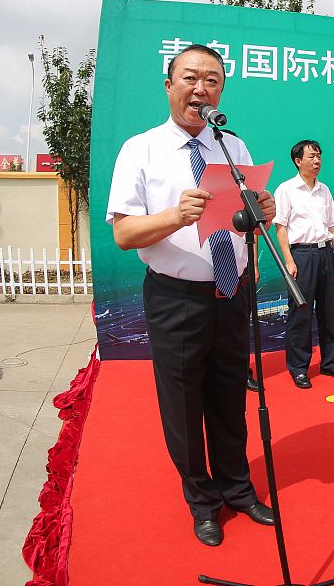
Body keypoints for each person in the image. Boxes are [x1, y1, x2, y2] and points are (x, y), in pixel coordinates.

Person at [107, 44, 276, 547]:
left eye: (212, 81)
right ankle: (201, 501)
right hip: (176, 297)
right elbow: (123, 233)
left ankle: (237, 488)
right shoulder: (141, 150)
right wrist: (174, 217)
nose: (201, 89)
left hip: (232, 292)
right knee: (183, 404)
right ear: (169, 85)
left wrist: (262, 207)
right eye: (190, 78)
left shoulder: (234, 147)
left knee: (229, 396)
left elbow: (243, 215)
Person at [273, 139, 334, 389]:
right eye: (311, 157)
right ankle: (299, 368)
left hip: (325, 253)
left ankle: (331, 363)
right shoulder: (286, 189)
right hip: (301, 256)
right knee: (300, 313)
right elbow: (281, 228)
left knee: (329, 311)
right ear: (298, 161)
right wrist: (288, 260)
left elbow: (331, 225)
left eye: (318, 156)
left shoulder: (324, 190)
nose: (317, 161)